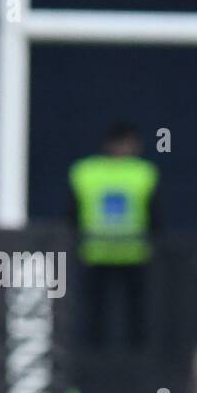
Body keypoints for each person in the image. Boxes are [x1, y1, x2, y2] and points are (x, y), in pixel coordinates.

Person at [69, 123, 158, 347]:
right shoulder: (140, 173)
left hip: (128, 253)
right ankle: (97, 355)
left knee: (132, 313)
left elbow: (155, 214)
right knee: (97, 312)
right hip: (99, 253)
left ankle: (131, 354)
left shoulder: (88, 172)